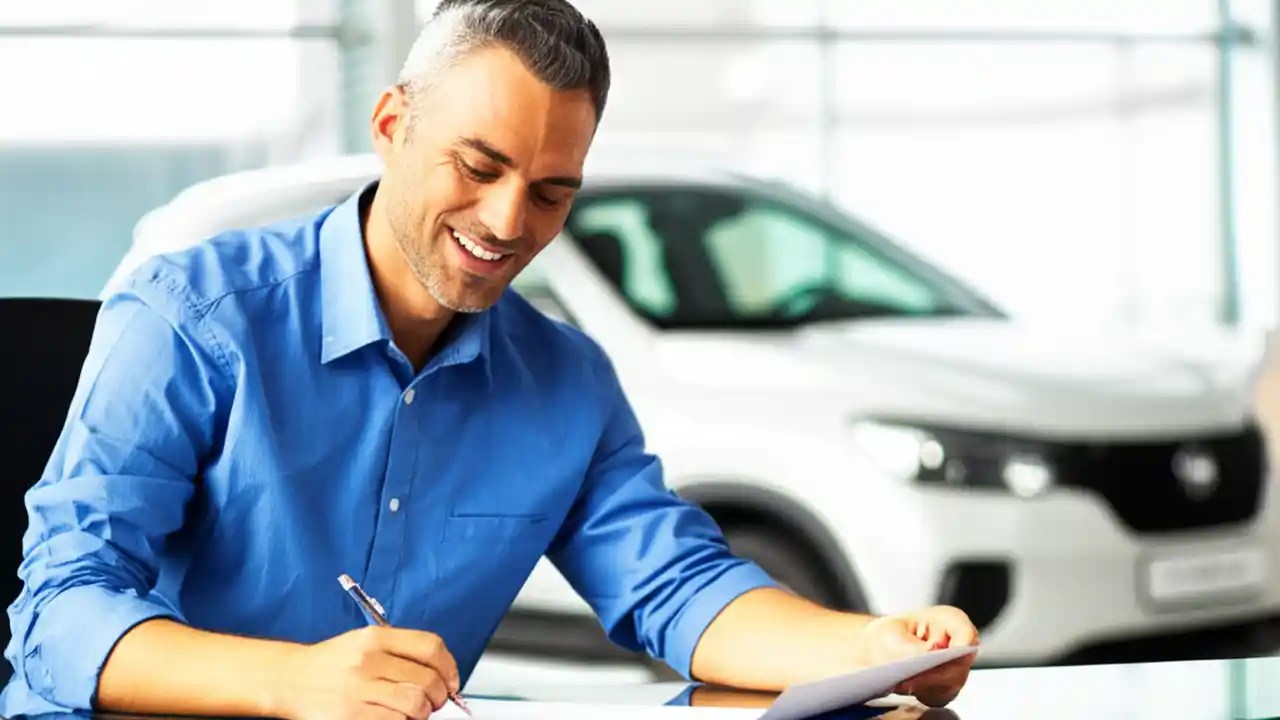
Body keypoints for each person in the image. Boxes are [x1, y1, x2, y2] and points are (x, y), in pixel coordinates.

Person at [0, 1, 979, 718]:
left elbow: (675, 591)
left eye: (551, 192)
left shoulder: (566, 382)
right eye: (478, 167)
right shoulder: (193, 312)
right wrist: (289, 679)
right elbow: (56, 617)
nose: (509, 223)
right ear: (391, 126)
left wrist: (869, 646)